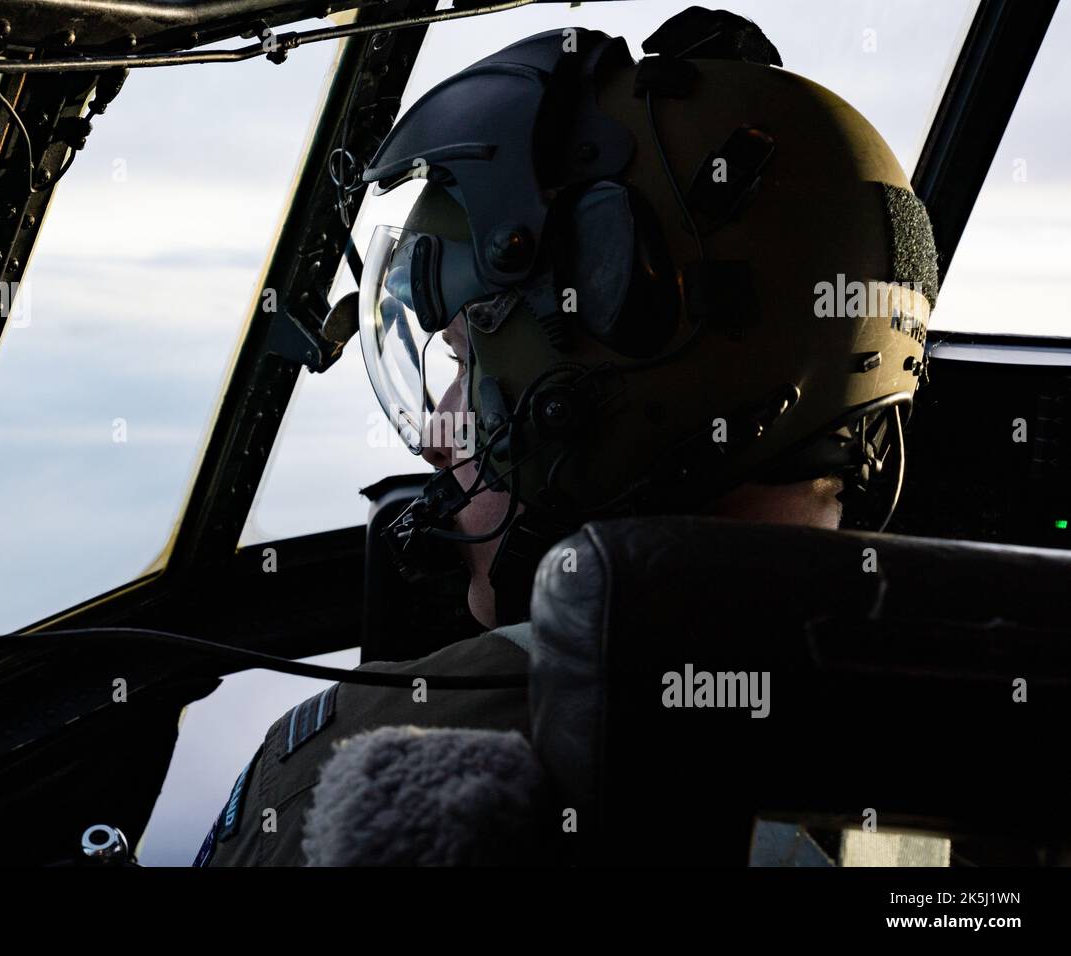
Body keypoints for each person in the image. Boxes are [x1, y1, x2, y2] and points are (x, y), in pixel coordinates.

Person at [200, 7, 938, 867]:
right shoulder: (961, 726)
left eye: (467, 361)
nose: (440, 439)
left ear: (604, 397)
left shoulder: (375, 775)